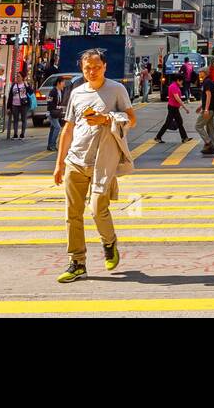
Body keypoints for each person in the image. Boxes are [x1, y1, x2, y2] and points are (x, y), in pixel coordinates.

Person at [52, 48, 136, 284]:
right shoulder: (77, 93)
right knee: (72, 215)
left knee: (97, 209)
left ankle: (109, 243)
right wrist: (59, 164)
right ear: (82, 68)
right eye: (87, 67)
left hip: (103, 162)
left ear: (105, 67)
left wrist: (107, 119)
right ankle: (77, 262)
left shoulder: (116, 89)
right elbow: (68, 129)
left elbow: (131, 119)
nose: (92, 71)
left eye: (97, 67)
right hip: (75, 161)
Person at [196, 63, 214, 156]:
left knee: (198, 126)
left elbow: (209, 96)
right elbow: (206, 97)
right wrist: (201, 106)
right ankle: (212, 147)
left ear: (204, 73)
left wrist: (205, 109)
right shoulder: (208, 81)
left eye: (200, 72)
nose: (199, 73)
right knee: (210, 129)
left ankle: (208, 142)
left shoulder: (207, 82)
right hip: (210, 109)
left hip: (208, 110)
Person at [47, 74, 69, 151]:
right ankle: (52, 145)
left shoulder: (61, 91)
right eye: (63, 82)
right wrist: (53, 109)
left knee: (53, 128)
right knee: (57, 127)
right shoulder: (53, 91)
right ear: (59, 83)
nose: (64, 84)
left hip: (57, 113)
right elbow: (49, 102)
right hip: (52, 112)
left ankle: (50, 145)